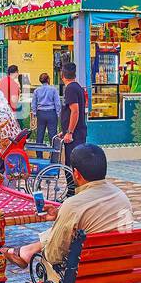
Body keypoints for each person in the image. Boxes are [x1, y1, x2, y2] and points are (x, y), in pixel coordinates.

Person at [4, 144, 141, 283]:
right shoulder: (120, 196)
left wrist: (62, 220)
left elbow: (54, 255)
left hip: (87, 282)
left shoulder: (73, 205)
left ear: (76, 173)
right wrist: (61, 215)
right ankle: (27, 250)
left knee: (44, 260)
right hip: (119, 274)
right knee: (71, 236)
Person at [60, 62, 88, 196]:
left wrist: (69, 132)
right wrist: (65, 129)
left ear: (62, 75)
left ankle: (72, 193)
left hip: (74, 135)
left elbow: (75, 111)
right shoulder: (78, 87)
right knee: (75, 163)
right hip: (78, 132)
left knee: (71, 165)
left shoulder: (70, 89)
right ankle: (76, 192)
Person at [32, 73, 61, 144]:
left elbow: (33, 104)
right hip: (51, 113)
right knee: (53, 135)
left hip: (40, 113)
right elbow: (57, 103)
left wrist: (35, 113)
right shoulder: (53, 89)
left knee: (40, 134)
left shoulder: (36, 90)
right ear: (48, 79)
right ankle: (53, 154)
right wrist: (58, 113)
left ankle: (39, 154)